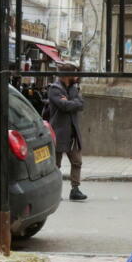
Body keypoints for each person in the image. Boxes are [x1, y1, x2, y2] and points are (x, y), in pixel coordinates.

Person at [46, 65, 86, 202]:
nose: (77, 77)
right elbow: (64, 106)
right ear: (66, 75)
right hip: (58, 131)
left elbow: (81, 104)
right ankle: (54, 192)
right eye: (74, 74)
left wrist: (70, 102)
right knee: (56, 165)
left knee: (77, 162)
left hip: (73, 132)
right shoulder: (54, 89)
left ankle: (75, 189)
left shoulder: (73, 88)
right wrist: (71, 103)